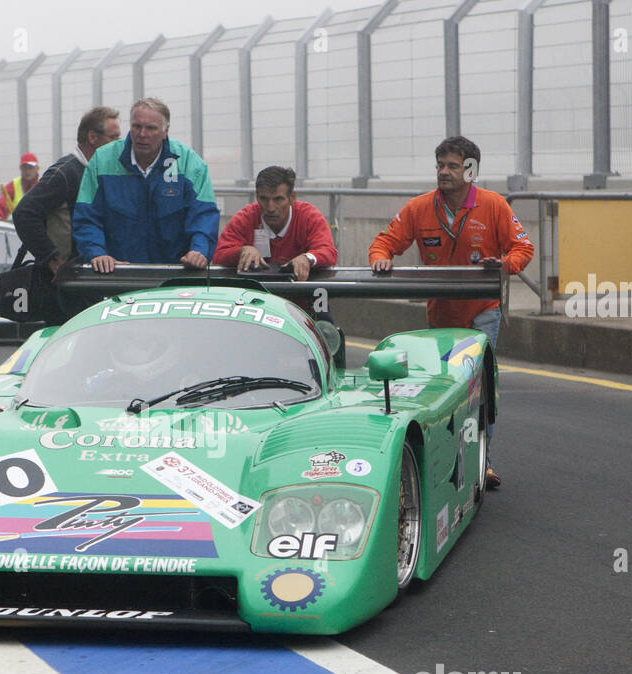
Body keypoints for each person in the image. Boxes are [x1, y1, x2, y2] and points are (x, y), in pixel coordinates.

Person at [368, 136, 534, 489]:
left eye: (452, 166)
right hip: (439, 318)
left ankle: (481, 463)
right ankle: (445, 461)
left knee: (476, 387)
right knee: (443, 391)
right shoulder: (418, 208)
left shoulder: (494, 206)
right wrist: (381, 258)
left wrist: (503, 265)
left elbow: (523, 247)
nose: (444, 172)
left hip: (482, 312)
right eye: (440, 165)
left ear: (470, 170)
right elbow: (384, 241)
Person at [213, 165, 343, 362]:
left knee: (327, 329)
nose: (270, 208)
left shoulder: (308, 216)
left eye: (278, 199)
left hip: (304, 301)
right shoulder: (246, 217)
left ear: (292, 197)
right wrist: (241, 250)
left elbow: (328, 251)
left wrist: (307, 258)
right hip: (258, 303)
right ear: (256, 196)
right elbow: (219, 254)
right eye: (264, 199)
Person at [72, 97, 218, 273]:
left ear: (166, 131)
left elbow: (204, 215)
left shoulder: (189, 164)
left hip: (174, 276)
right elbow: (87, 217)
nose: (142, 134)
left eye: (151, 128)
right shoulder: (102, 161)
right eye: (136, 126)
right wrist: (96, 253)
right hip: (117, 275)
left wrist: (199, 250)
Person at [13, 107, 120, 275]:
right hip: (64, 281)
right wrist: (52, 258)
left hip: (92, 275)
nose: (119, 144)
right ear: (92, 137)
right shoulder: (65, 173)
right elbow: (24, 213)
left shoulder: (100, 172)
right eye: (113, 137)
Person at [0, 153, 41, 220]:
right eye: (25, 168)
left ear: (37, 168)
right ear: (20, 168)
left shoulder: (43, 185)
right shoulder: (13, 186)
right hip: (15, 227)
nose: (27, 171)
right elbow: (2, 203)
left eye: (30, 168)